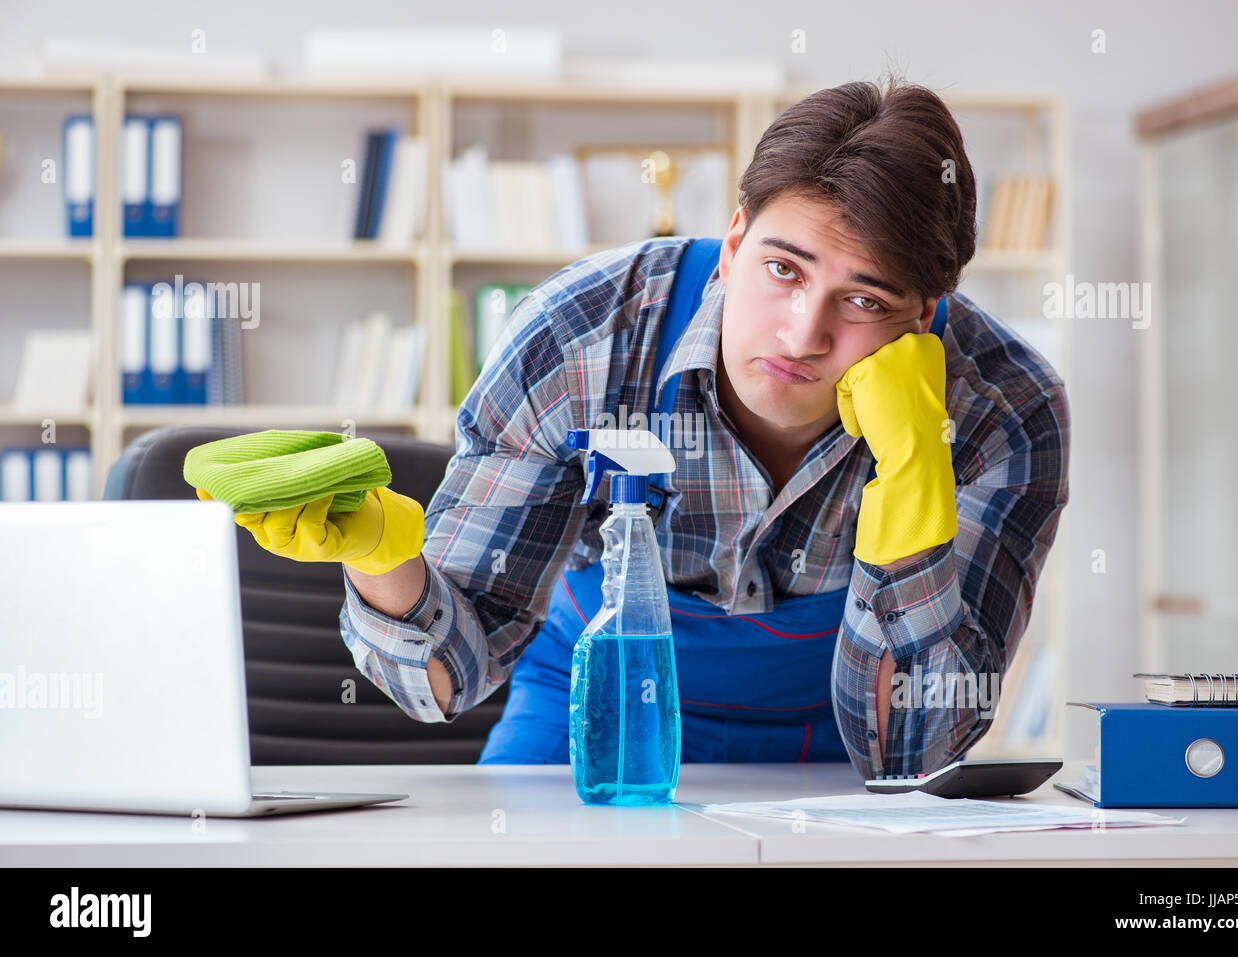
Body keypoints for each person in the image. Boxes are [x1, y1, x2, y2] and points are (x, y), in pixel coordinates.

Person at [222, 74, 1070, 779]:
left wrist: (917, 471)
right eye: (782, 269)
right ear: (734, 242)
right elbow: (446, 678)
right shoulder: (579, 337)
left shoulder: (1006, 410)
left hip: (836, 740)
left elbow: (916, 749)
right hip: (588, 707)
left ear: (925, 317)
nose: (802, 333)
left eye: (863, 300)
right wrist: (384, 558)